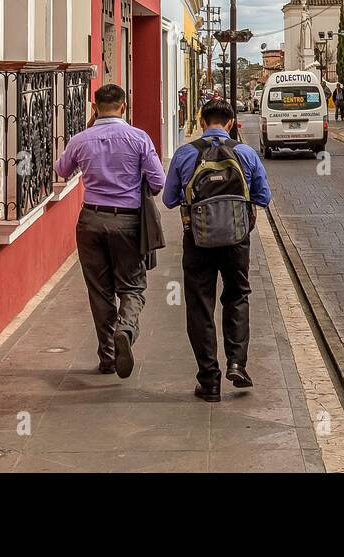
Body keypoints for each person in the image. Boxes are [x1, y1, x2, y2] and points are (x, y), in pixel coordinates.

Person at [54, 83, 165, 378]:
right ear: (124, 106)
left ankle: (107, 356)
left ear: (94, 108)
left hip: (90, 220)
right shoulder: (139, 138)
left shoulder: (81, 139)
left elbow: (61, 170)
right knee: (132, 287)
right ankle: (125, 331)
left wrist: (89, 131)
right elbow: (158, 182)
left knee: (100, 292)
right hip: (127, 222)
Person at [164, 99, 271, 403]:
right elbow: (263, 196)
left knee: (200, 305)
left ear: (201, 122)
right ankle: (237, 363)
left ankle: (209, 381)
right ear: (231, 123)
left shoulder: (186, 153)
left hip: (198, 240)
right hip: (237, 240)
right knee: (237, 296)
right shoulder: (246, 153)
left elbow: (170, 200)